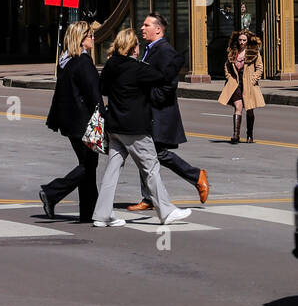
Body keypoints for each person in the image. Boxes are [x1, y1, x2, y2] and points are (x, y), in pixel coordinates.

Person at [92, 28, 192, 228]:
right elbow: (162, 77)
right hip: (135, 129)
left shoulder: (111, 64)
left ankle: (102, 214)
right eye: (137, 44)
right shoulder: (137, 68)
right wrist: (177, 61)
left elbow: (102, 88)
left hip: (115, 127)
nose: (139, 47)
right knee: (151, 167)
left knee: (112, 170)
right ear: (133, 47)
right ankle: (166, 211)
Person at [127, 13, 209, 212]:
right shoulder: (150, 49)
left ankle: (196, 176)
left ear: (158, 29)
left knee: (155, 153)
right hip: (149, 112)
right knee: (144, 152)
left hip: (159, 113)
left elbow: (168, 85)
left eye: (146, 25)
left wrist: (147, 95)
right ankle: (148, 197)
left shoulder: (165, 52)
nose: (142, 28)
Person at [39, 20, 101, 223]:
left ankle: (89, 213)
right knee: (88, 166)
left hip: (71, 123)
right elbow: (94, 96)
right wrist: (105, 119)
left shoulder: (67, 62)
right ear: (81, 40)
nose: (93, 38)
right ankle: (52, 192)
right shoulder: (84, 63)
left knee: (87, 166)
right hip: (84, 124)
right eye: (90, 36)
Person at [218, 29, 265, 143]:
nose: (242, 42)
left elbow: (259, 68)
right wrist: (229, 77)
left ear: (248, 41)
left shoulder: (254, 52)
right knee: (238, 107)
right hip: (236, 84)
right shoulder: (232, 52)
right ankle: (235, 135)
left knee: (249, 110)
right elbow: (227, 66)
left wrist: (253, 79)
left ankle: (249, 135)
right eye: (240, 40)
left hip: (249, 84)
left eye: (244, 40)